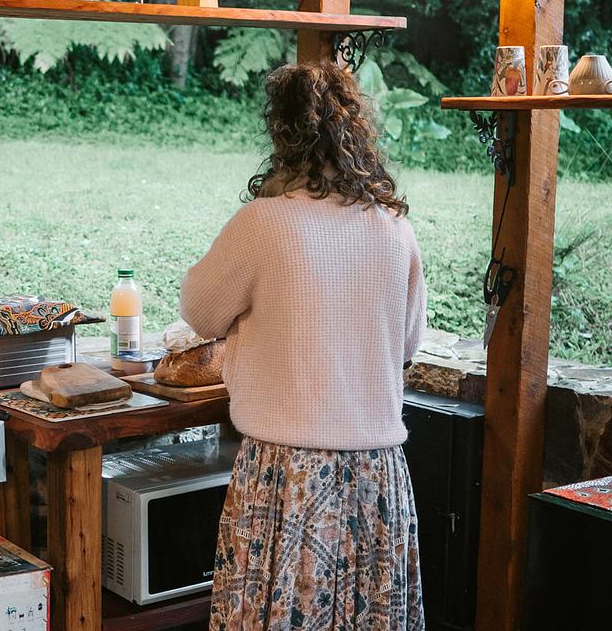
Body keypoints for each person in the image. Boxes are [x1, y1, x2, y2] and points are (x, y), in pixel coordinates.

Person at [181, 61, 427, 630]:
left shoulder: (265, 222)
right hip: (377, 474)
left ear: (281, 134)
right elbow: (408, 342)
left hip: (286, 475)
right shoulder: (393, 226)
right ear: (356, 132)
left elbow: (199, 310)